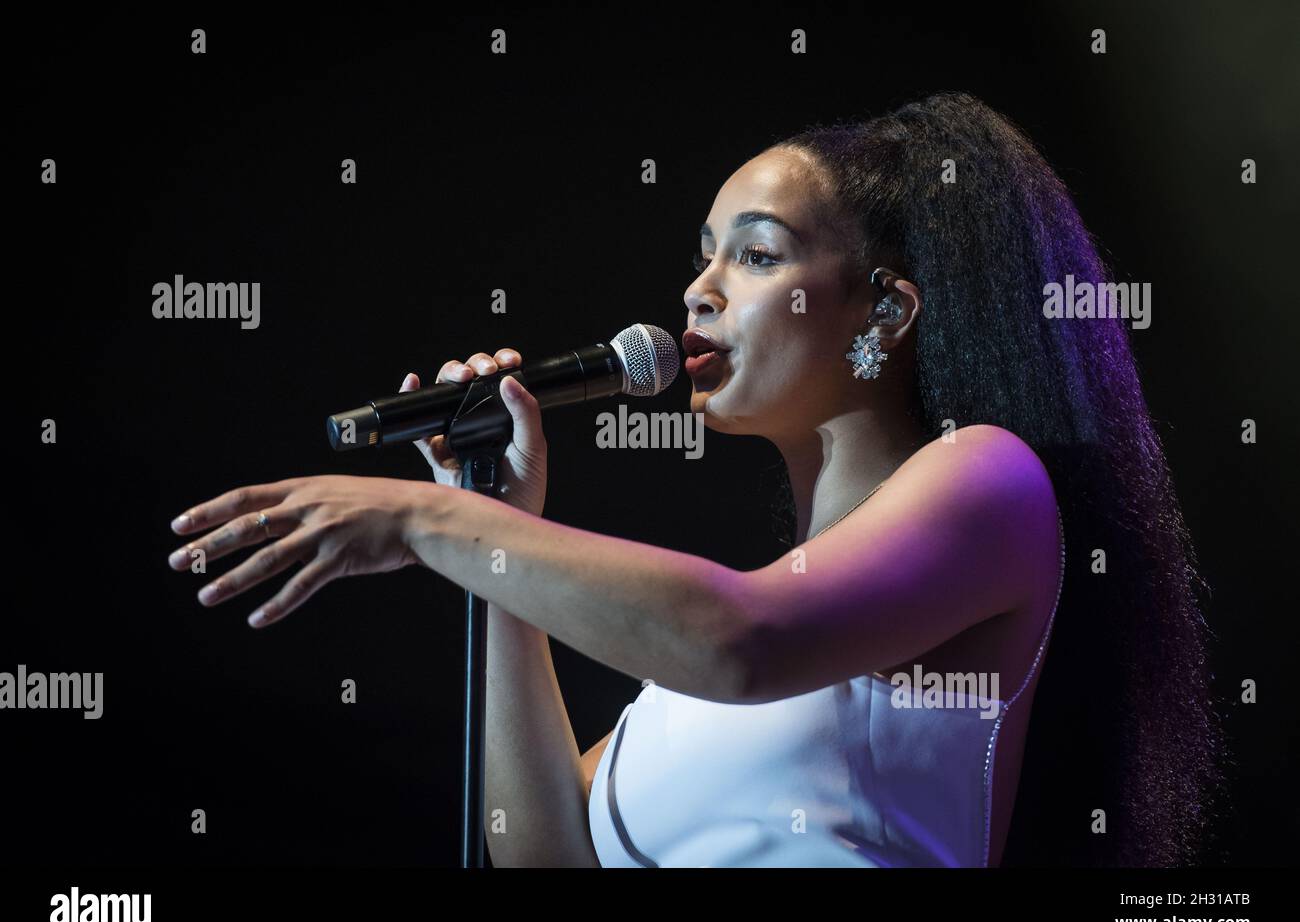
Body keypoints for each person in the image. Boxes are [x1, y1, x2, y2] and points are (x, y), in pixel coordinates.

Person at [167, 92, 1224, 867]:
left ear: (884, 313)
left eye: (756, 258)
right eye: (704, 254)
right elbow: (543, 854)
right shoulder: (677, 699)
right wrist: (490, 527)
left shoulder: (988, 482)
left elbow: (744, 639)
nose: (697, 291)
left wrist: (424, 518)